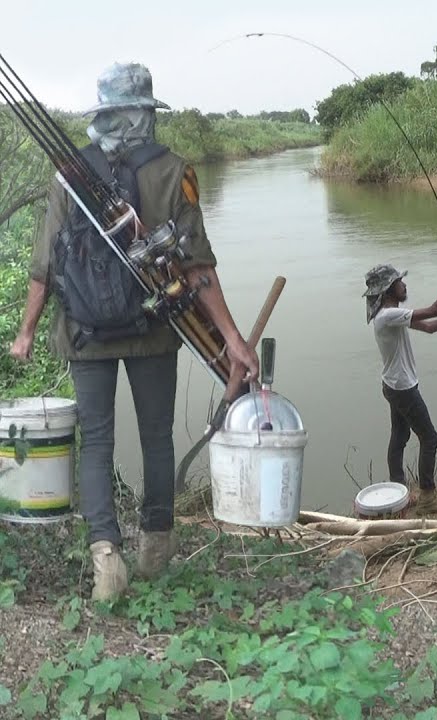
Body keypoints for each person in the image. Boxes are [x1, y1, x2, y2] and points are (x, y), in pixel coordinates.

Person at [8, 62, 260, 602]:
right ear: (145, 113)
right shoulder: (174, 171)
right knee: (156, 436)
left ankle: (106, 557)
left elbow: (44, 266)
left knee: (95, 441)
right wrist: (232, 339)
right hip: (155, 327)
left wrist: (27, 330)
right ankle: (155, 547)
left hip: (84, 332)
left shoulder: (68, 173)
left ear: (101, 114)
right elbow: (197, 268)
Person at [364, 259, 437, 515]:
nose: (404, 285)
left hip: (393, 385)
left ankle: (398, 492)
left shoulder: (392, 317)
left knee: (400, 437)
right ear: (389, 289)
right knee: (430, 438)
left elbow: (429, 327)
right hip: (403, 388)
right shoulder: (388, 315)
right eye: (399, 282)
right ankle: (428, 497)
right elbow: (434, 310)